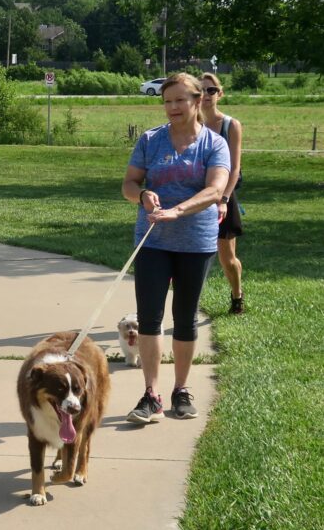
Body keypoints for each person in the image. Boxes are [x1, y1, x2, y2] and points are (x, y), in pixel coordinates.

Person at [121, 72, 230, 424]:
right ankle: (151, 395)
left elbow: (215, 191)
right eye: (167, 101)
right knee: (150, 318)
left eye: (180, 100)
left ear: (198, 101)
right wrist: (142, 194)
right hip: (152, 241)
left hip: (195, 243)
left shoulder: (214, 144)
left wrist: (178, 211)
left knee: (185, 318)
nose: (172, 108)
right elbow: (129, 182)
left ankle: (181, 391)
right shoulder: (151, 140)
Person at [200, 72, 245, 315]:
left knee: (227, 259)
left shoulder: (230, 125)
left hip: (222, 197)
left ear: (220, 94)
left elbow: (234, 168)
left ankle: (237, 294)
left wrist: (224, 199)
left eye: (211, 90)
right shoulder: (191, 124)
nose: (206, 95)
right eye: (201, 91)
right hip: (196, 196)